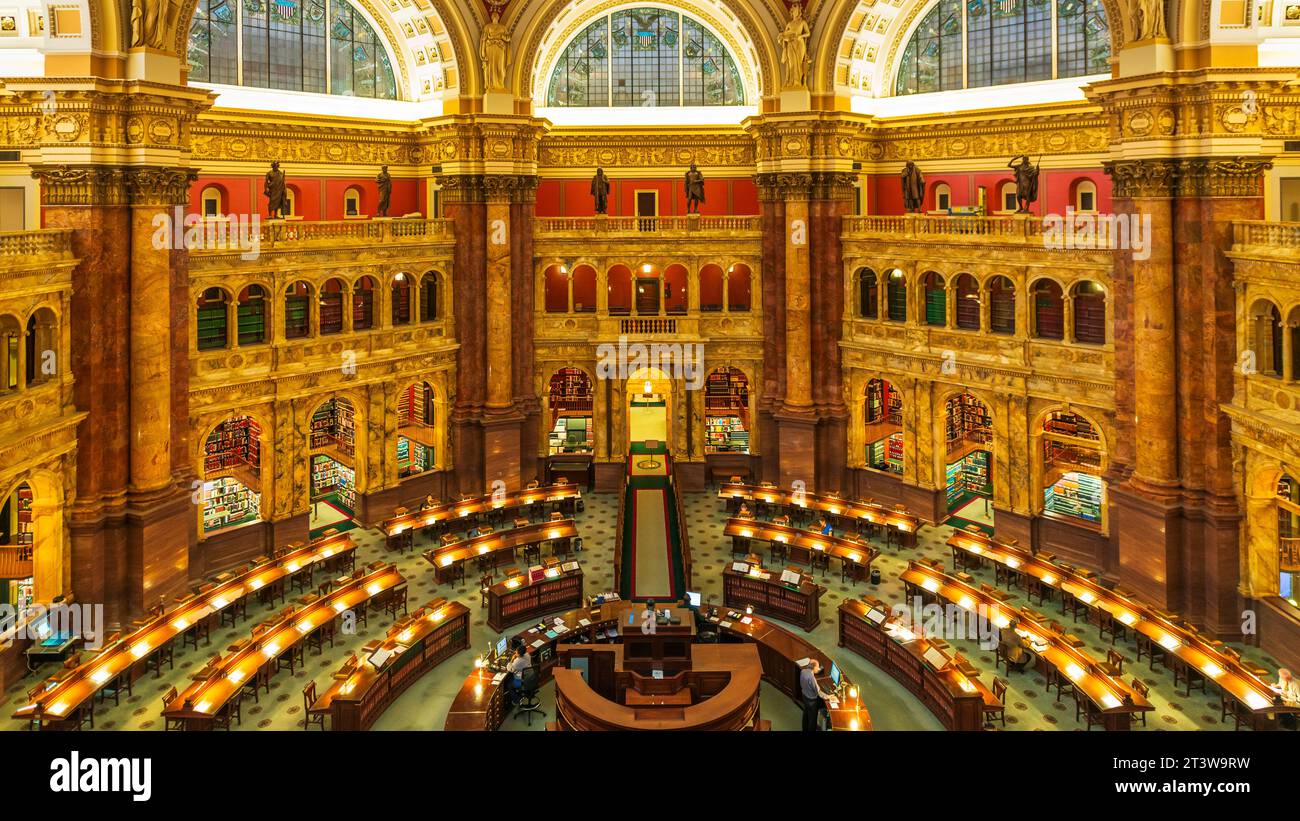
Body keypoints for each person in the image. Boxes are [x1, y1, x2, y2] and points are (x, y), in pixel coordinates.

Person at [799, 659, 833, 731]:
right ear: (814, 668)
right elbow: (818, 692)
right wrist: (829, 697)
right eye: (817, 667)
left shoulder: (803, 671)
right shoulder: (811, 678)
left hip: (805, 697)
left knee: (806, 714)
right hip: (812, 701)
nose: (818, 668)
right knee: (812, 719)